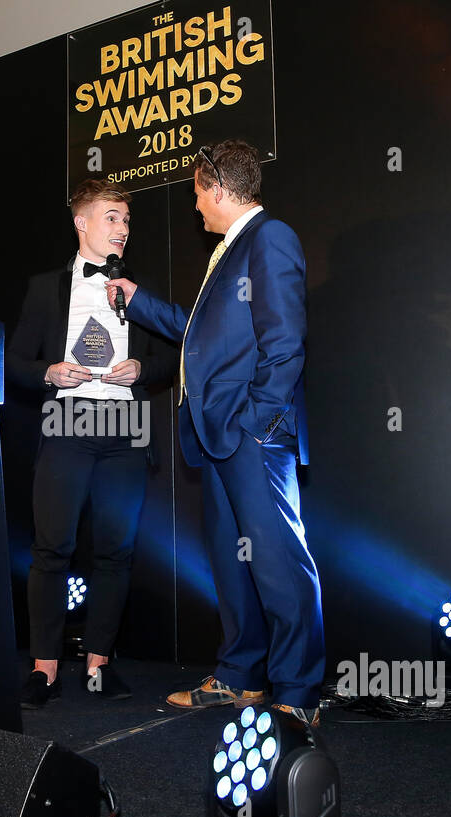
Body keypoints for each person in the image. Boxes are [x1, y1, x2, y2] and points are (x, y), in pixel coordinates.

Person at [104, 140, 325, 726]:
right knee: (234, 564)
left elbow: (285, 342)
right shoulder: (229, 250)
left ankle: (299, 693)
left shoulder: (268, 239)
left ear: (220, 189)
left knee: (279, 563)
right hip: (216, 436)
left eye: (198, 193)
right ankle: (239, 677)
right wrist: (139, 302)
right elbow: (201, 334)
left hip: (250, 435)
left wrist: (258, 422)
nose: (195, 206)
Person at [6, 179, 173, 709]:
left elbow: (176, 354)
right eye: (111, 218)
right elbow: (13, 362)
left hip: (126, 432)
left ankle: (100, 663)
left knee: (115, 552)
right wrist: (49, 371)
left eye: (126, 220)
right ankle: (44, 667)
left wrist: (144, 367)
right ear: (82, 223)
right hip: (66, 426)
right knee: (51, 548)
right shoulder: (43, 288)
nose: (122, 229)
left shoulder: (139, 288)